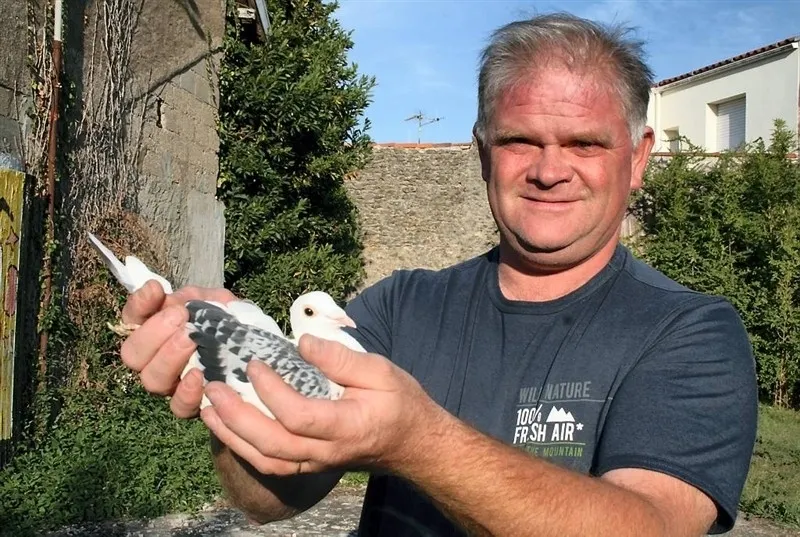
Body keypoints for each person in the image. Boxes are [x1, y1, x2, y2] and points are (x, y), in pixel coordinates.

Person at [117, 12, 758, 537]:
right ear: (483, 152)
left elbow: (648, 527)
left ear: (639, 157)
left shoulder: (689, 333)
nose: (549, 169)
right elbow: (273, 496)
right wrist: (233, 379)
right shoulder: (398, 308)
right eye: (519, 141)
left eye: (585, 144)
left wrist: (416, 441)